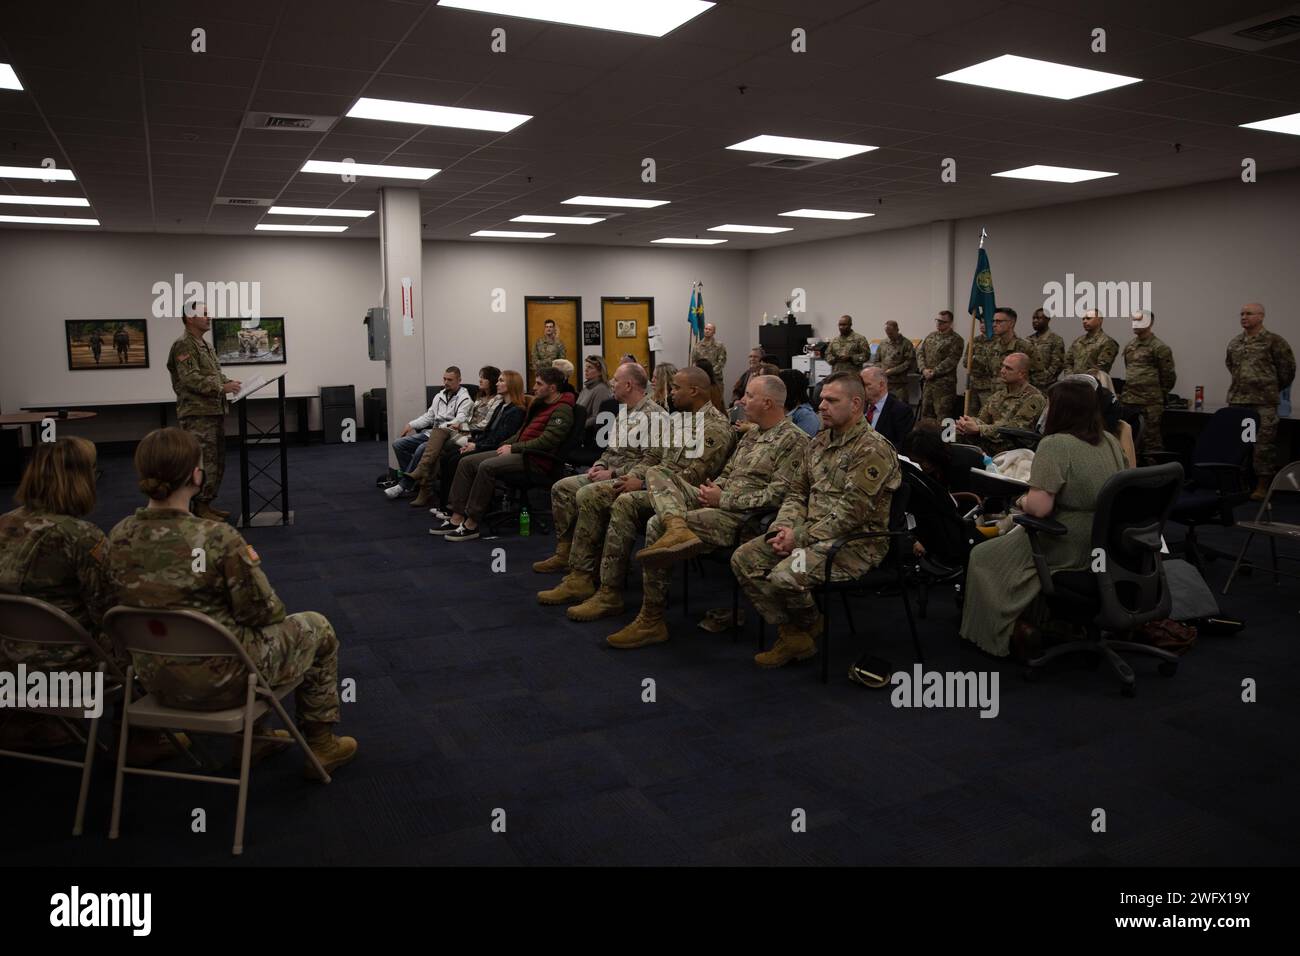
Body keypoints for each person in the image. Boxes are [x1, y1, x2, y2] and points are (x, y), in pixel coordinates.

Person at [107, 427, 356, 773]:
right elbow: (265, 611)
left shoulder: (118, 535)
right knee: (318, 628)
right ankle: (321, 745)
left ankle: (257, 740)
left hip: (154, 680)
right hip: (224, 682)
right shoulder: (217, 537)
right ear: (196, 476)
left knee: (234, 631)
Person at [607, 374, 809, 648]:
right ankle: (676, 526)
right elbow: (728, 472)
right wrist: (712, 490)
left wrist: (723, 499)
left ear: (769, 402)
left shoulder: (794, 441)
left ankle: (651, 619)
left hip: (742, 517)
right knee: (657, 472)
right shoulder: (753, 436)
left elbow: (779, 495)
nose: (741, 401)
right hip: (718, 502)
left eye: (749, 396)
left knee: (656, 524)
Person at [731, 372, 901, 667]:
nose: (822, 405)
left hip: (854, 545)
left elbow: (851, 512)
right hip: (810, 535)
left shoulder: (873, 449)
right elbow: (796, 493)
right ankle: (797, 631)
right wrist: (782, 528)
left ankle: (803, 628)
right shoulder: (819, 442)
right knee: (744, 558)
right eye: (821, 398)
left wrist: (799, 537)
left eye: (832, 400)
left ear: (856, 404)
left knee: (785, 574)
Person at [959, 380, 1125, 659]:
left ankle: (1005, 631)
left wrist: (1021, 500)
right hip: (1107, 542)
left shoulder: (1056, 445)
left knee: (984, 556)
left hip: (1066, 541)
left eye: (1050, 404)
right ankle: (1047, 622)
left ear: (1061, 410)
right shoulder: (1109, 440)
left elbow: (1039, 509)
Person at [558, 367, 734, 623]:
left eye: (676, 388)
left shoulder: (715, 427)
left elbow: (693, 477)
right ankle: (581, 575)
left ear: (694, 391)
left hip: (684, 495)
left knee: (624, 502)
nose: (670, 393)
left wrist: (641, 484)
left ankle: (610, 592)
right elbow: (653, 457)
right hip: (655, 484)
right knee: (594, 493)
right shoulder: (680, 419)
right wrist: (635, 476)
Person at [532, 363, 665, 592]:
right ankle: (565, 552)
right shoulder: (625, 411)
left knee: (586, 494)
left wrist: (612, 472)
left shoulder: (655, 416)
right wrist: (599, 464)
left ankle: (582, 572)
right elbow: (609, 451)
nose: (611, 383)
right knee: (562, 488)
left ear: (628, 384)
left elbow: (651, 462)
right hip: (607, 472)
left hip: (627, 480)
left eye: (615, 380)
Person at [433, 367, 575, 542]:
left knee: (486, 466)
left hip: (535, 459)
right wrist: (504, 445)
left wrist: (513, 448)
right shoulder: (539, 404)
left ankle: (472, 523)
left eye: (539, 384)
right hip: (520, 452)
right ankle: (456, 517)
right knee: (467, 462)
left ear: (552, 388)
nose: (534, 387)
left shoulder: (562, 410)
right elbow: (522, 433)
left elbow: (547, 442)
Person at [167, 301, 240, 522]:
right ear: (190, 318)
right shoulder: (184, 345)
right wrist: (221, 388)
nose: (209, 317)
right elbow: (190, 379)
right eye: (204, 314)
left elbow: (214, 375)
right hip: (197, 415)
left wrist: (231, 383)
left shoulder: (204, 345)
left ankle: (206, 503)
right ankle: (198, 506)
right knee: (202, 462)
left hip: (212, 412)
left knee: (215, 461)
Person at [427, 370, 528, 516]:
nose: (497, 383)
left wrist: (476, 445)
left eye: (501, 381)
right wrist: (473, 443)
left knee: (456, 460)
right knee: (448, 458)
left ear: (511, 385)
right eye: (498, 380)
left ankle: (453, 508)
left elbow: (501, 438)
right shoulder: (502, 406)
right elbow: (488, 431)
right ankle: (445, 505)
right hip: (485, 442)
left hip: (496, 448)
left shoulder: (516, 411)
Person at [405, 367, 502, 508]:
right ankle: (425, 483)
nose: (480, 380)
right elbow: (469, 417)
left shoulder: (496, 400)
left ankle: (423, 476)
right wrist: (460, 425)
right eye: (480, 376)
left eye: (484, 377)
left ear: (492, 381)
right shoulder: (480, 397)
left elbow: (484, 425)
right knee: (437, 445)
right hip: (465, 431)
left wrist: (461, 426)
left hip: (474, 435)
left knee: (434, 443)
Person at [1226, 302, 1295, 499]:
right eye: (1241, 314)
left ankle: (1262, 486)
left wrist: (1269, 387)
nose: (1243, 317)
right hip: (1239, 402)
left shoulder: (1274, 341)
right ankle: (1240, 483)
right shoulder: (1235, 342)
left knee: (1263, 445)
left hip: (1263, 403)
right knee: (1242, 443)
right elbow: (1231, 365)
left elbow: (1287, 371)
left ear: (1261, 316)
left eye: (1248, 313)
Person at [385, 366, 471, 499]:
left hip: (448, 436)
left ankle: (404, 485)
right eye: (444, 379)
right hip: (432, 433)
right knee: (398, 444)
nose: (446, 382)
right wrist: (411, 425)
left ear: (459, 380)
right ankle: (415, 480)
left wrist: (441, 427)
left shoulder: (465, 399)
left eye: (450, 379)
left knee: (421, 448)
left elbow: (459, 420)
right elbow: (429, 417)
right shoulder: (439, 395)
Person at [956, 353, 1046, 456]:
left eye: (1008, 368)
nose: (1002, 371)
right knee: (951, 436)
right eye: (1003, 366)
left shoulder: (1034, 398)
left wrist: (980, 429)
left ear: (1022, 374)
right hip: (991, 442)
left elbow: (1015, 429)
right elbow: (983, 419)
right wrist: (968, 423)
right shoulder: (999, 395)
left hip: (1013, 449)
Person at [1120, 310, 1176, 461]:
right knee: (1129, 443)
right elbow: (1129, 370)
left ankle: (1155, 479)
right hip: (1129, 401)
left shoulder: (1159, 347)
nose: (1135, 324)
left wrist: (1156, 394)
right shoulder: (1130, 346)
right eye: (1134, 320)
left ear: (1150, 323)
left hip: (1150, 403)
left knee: (1151, 444)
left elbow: (1168, 377)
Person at [964, 307, 1036, 417]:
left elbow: (1039, 377)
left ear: (1011, 323)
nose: (993, 324)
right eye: (993, 321)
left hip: (1018, 404)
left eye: (998, 321)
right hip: (995, 399)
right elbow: (988, 372)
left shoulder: (1025, 347)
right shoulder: (992, 347)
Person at [918, 311, 963, 420]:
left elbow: (951, 360)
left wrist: (934, 372)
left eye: (943, 321)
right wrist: (923, 369)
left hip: (944, 386)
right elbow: (920, 353)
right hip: (928, 384)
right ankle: (927, 438)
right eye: (937, 320)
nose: (939, 323)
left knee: (944, 418)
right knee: (926, 415)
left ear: (950, 323)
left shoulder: (956, 339)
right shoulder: (930, 336)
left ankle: (944, 438)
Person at [860, 366, 914, 448]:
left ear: (881, 385)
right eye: (860, 385)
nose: (861, 389)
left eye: (866, 385)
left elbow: (903, 446)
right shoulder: (858, 407)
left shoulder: (901, 411)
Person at [874, 320, 917, 402]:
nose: (889, 335)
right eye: (887, 333)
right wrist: (880, 369)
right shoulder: (883, 343)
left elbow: (909, 363)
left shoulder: (906, 344)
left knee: (900, 409)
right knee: (884, 408)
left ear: (897, 329)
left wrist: (892, 371)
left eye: (891, 333)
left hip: (899, 384)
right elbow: (876, 360)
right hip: (884, 383)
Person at [1065, 309, 1118, 375]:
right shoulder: (1078, 341)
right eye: (1083, 319)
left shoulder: (1107, 342)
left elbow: (1101, 368)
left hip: (1093, 382)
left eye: (1088, 318)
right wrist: (1070, 377)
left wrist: (1084, 379)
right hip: (1074, 381)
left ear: (1100, 320)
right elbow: (1068, 361)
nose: (1084, 321)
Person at [1027, 308, 1065, 390]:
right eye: (1033, 318)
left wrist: (1044, 379)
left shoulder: (1055, 339)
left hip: (1048, 386)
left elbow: (1057, 365)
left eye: (1038, 318)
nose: (1035, 321)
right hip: (1030, 385)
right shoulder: (1028, 340)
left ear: (1047, 319)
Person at [576, 355, 613, 433]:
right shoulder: (586, 388)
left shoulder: (601, 389)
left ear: (600, 372)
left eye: (590, 367)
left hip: (587, 434)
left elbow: (597, 417)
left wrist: (578, 426)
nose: (586, 370)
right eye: (586, 367)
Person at [779, 368, 818, 436]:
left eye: (779, 387)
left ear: (789, 388)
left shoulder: (806, 416)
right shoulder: (784, 407)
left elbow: (803, 443)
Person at [691, 322, 727, 387]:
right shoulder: (697, 346)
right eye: (706, 329)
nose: (707, 331)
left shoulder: (719, 346)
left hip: (715, 379)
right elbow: (694, 362)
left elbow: (721, 363)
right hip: (700, 379)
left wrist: (710, 373)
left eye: (710, 329)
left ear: (714, 332)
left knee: (715, 396)